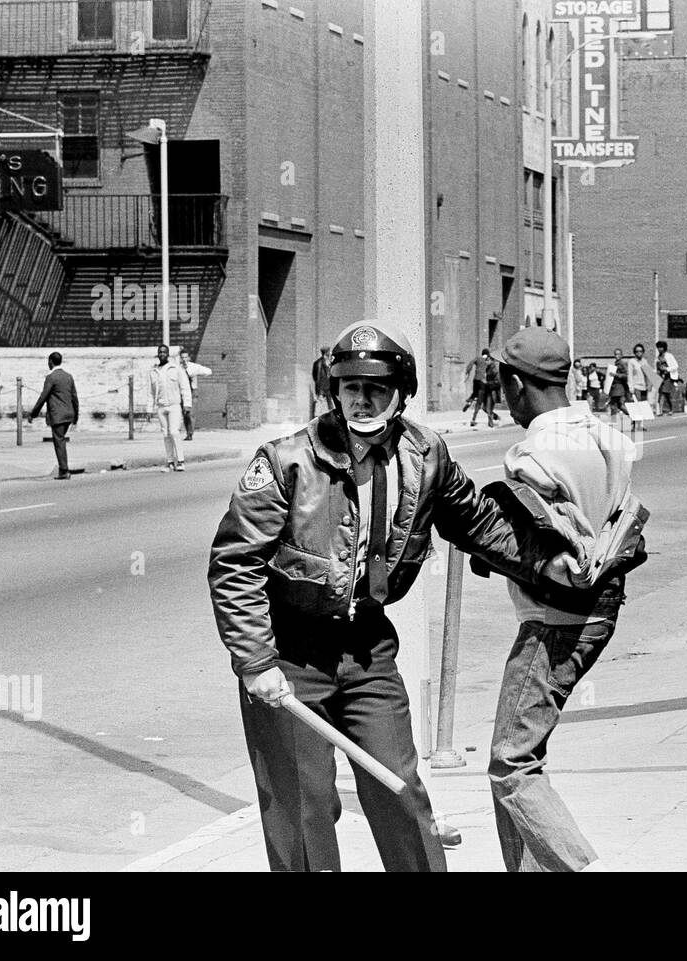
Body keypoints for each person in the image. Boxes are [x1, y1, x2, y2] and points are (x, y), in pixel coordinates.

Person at [207, 321, 580, 873]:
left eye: (376, 388)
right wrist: (256, 662)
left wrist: (547, 564)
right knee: (301, 810)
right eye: (350, 387)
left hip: (367, 651)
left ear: (399, 393)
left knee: (401, 791)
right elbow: (235, 563)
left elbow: (477, 523)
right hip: (288, 653)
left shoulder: (425, 455)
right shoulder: (286, 461)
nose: (361, 399)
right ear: (332, 391)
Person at [488, 326, 642, 871]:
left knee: (512, 765)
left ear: (515, 382)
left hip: (553, 620)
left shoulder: (531, 455)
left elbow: (523, 540)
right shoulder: (607, 435)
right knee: (519, 761)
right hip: (602, 608)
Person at [26, 352, 79, 481]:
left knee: (59, 442)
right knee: (61, 440)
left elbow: (43, 397)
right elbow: (74, 397)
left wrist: (33, 414)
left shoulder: (51, 377)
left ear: (50, 361)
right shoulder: (69, 377)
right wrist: (76, 416)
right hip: (69, 414)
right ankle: (63, 469)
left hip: (58, 415)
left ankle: (64, 470)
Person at [149, 345, 191, 472]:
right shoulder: (154, 371)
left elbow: (184, 387)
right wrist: (148, 409)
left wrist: (187, 404)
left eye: (164, 352)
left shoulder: (175, 369)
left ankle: (181, 461)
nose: (162, 354)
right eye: (160, 352)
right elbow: (150, 392)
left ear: (168, 354)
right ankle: (170, 462)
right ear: (158, 354)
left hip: (174, 405)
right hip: (161, 406)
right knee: (166, 434)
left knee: (174, 432)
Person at [180, 352, 212, 441]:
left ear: (189, 358)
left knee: (191, 413)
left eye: (186, 357)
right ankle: (187, 432)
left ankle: (190, 433)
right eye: (182, 357)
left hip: (193, 391)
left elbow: (208, 371)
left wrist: (196, 373)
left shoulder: (193, 367)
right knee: (185, 414)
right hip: (183, 392)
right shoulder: (179, 368)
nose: (184, 359)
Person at [626, 343, 651, 430]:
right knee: (636, 407)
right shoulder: (632, 362)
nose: (639, 353)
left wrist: (649, 385)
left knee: (643, 406)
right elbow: (630, 374)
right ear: (634, 352)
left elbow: (648, 374)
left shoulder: (644, 361)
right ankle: (634, 425)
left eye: (640, 351)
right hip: (636, 387)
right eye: (637, 351)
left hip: (644, 387)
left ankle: (641, 425)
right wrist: (631, 387)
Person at [462, 348, 491, 417]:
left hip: (475, 379)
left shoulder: (478, 358)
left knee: (475, 393)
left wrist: (468, 371)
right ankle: (485, 408)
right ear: (487, 355)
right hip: (482, 380)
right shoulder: (488, 361)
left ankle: (469, 402)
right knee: (483, 394)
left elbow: (471, 363)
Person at [655, 341, 679, 415]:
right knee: (661, 393)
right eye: (658, 347)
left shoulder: (669, 356)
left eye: (661, 347)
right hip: (661, 377)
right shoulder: (658, 357)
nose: (659, 349)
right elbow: (657, 367)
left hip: (668, 377)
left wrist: (667, 369)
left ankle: (671, 408)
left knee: (666, 393)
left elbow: (676, 366)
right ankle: (661, 411)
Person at [606, 349, 629, 421]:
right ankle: (633, 416)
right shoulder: (616, 363)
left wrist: (615, 375)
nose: (617, 356)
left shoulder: (622, 363)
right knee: (620, 405)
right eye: (615, 354)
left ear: (622, 355)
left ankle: (613, 421)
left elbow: (626, 375)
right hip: (615, 386)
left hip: (619, 386)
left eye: (618, 354)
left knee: (614, 404)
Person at [310, 347, 333, 417]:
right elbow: (315, 376)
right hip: (322, 387)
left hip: (328, 387)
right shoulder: (318, 363)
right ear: (326, 354)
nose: (330, 354)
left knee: (330, 405)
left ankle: (330, 418)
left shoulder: (327, 362)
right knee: (321, 404)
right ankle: (319, 419)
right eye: (328, 353)